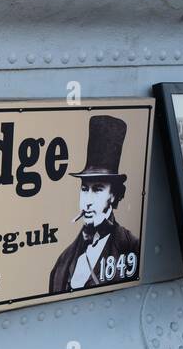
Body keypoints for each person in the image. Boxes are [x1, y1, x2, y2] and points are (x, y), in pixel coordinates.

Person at [48, 115, 141, 292]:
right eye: (84, 189)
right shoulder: (63, 262)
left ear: (113, 195)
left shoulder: (131, 247)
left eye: (97, 189)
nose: (87, 202)